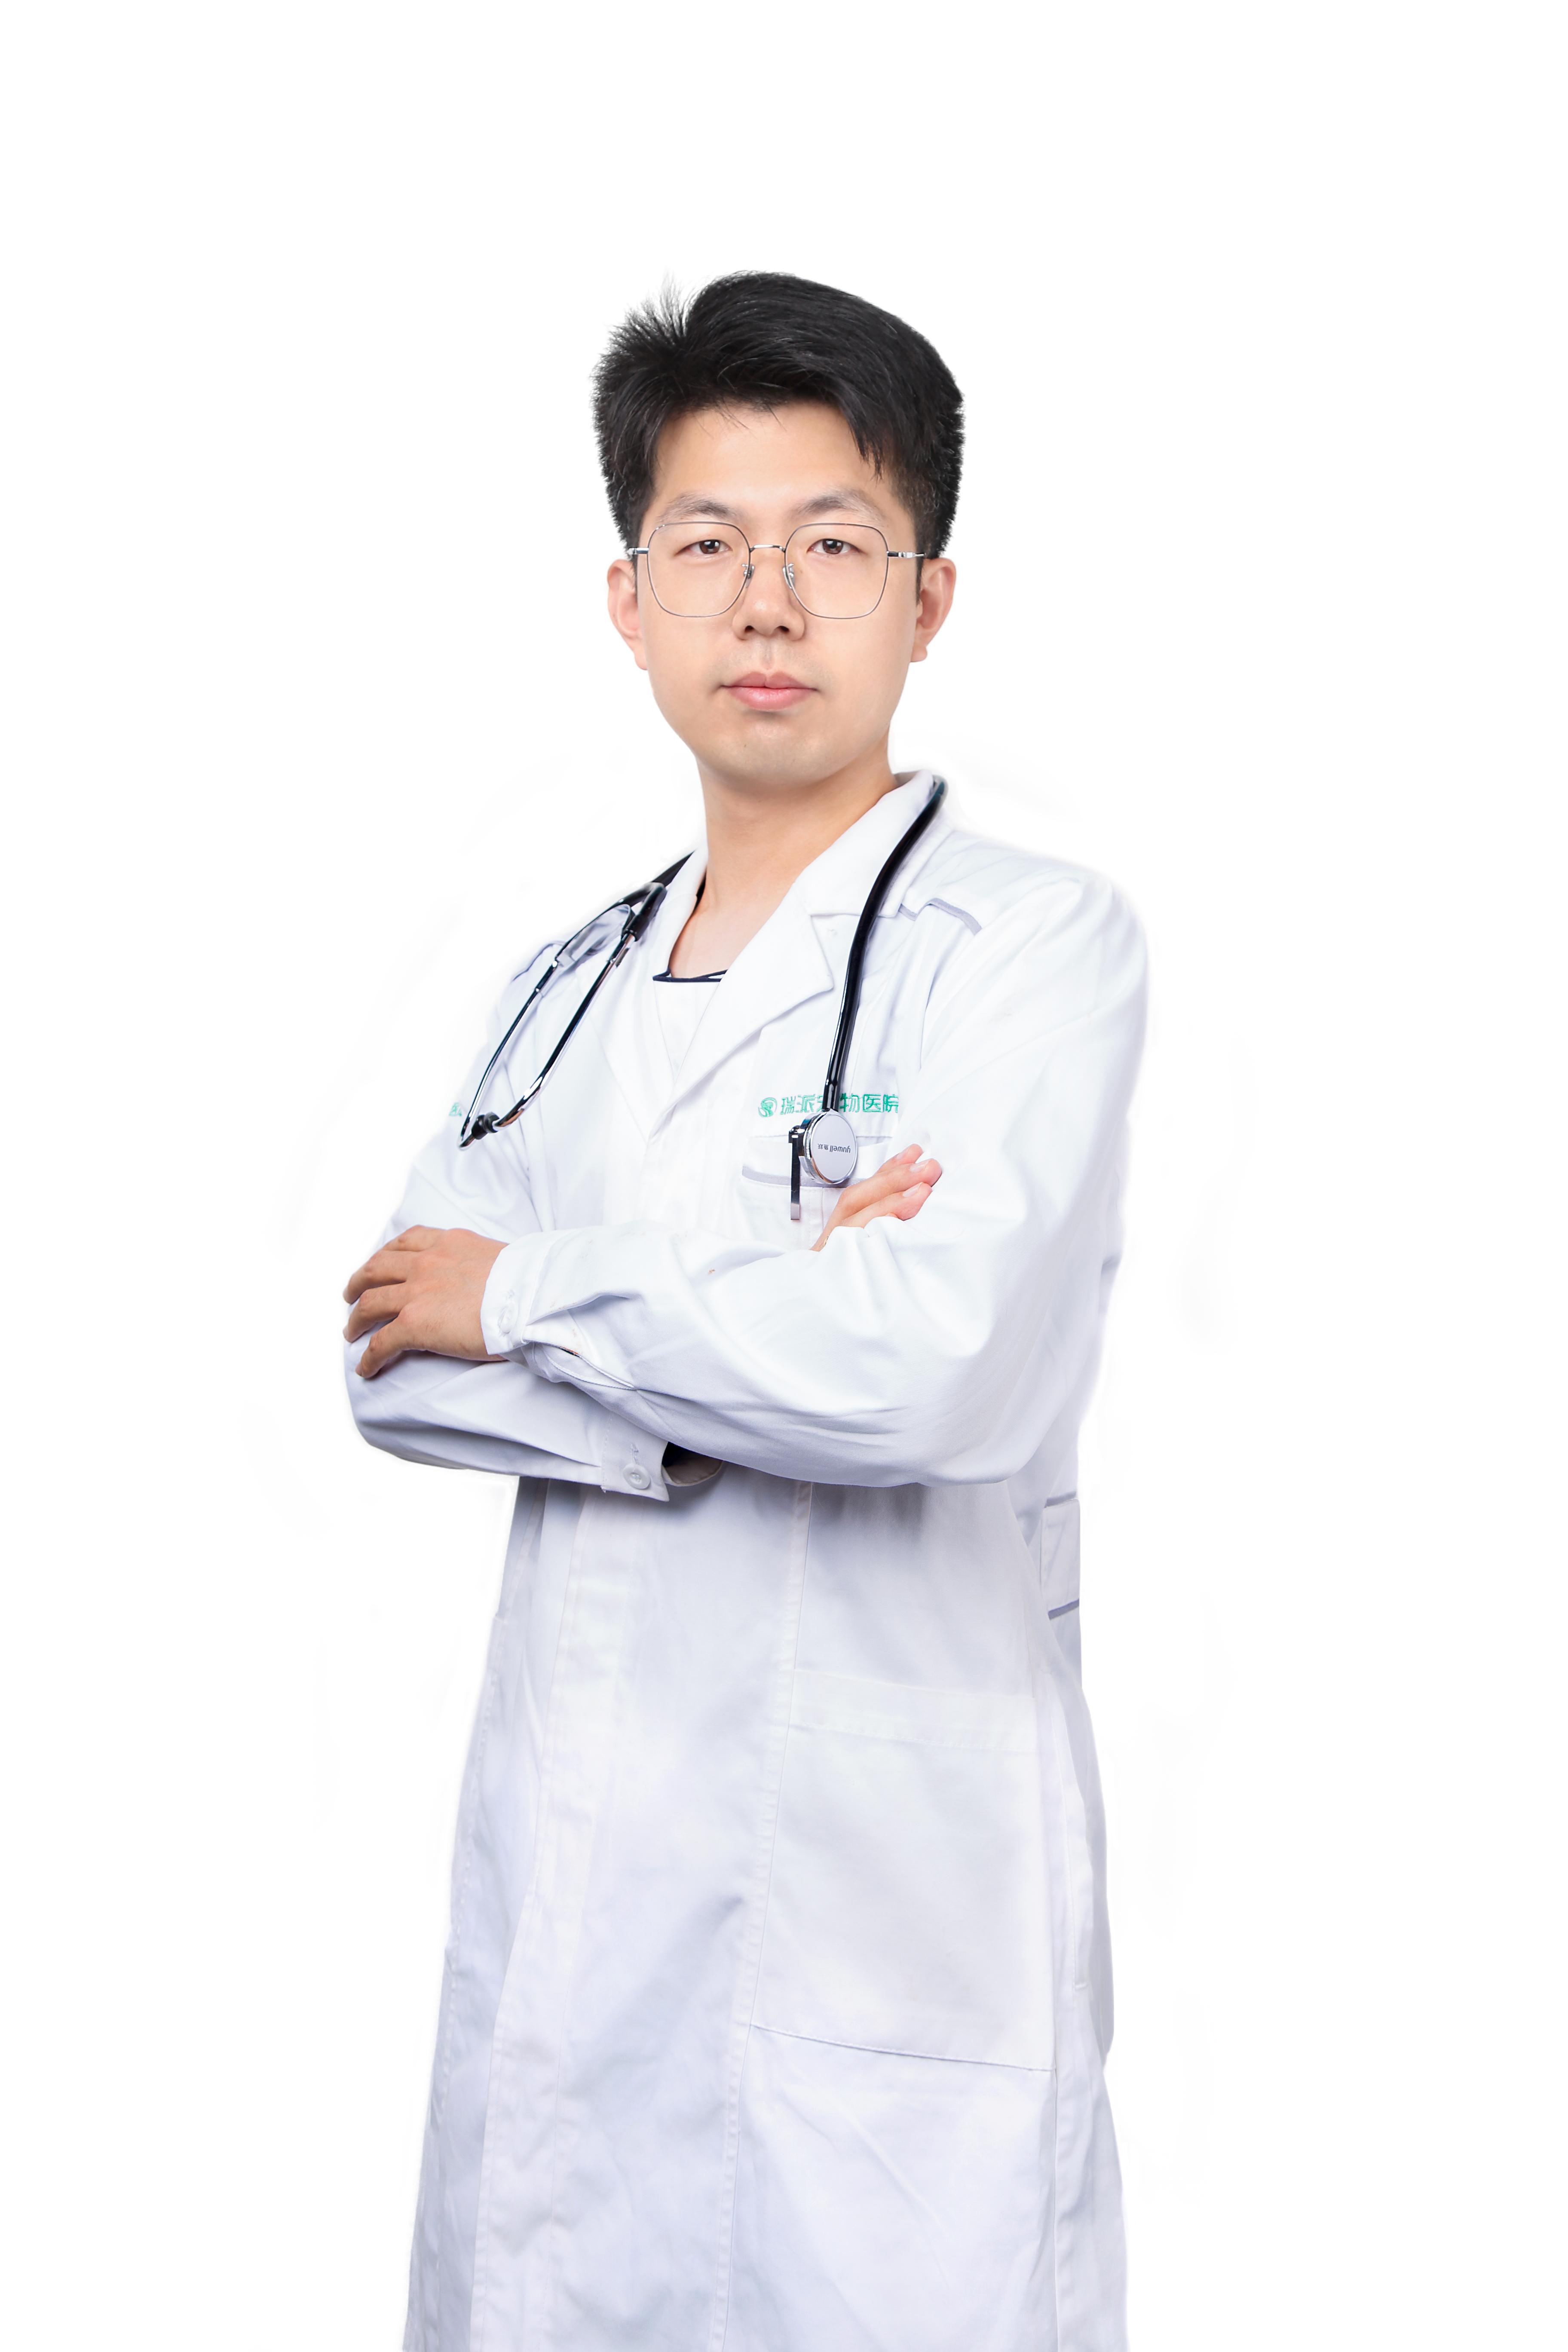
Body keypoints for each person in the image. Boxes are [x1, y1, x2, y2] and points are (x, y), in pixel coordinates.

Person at [343, 272, 1147, 2352]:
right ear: (630, 602)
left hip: (887, 1914)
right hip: (573, 1911)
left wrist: (534, 1297)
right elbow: (394, 1362)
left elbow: (929, 1373)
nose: (768, 605)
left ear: (930, 598)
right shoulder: (562, 987)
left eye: (835, 547)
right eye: (707, 545)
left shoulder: (1028, 950)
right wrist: (753, 1334)